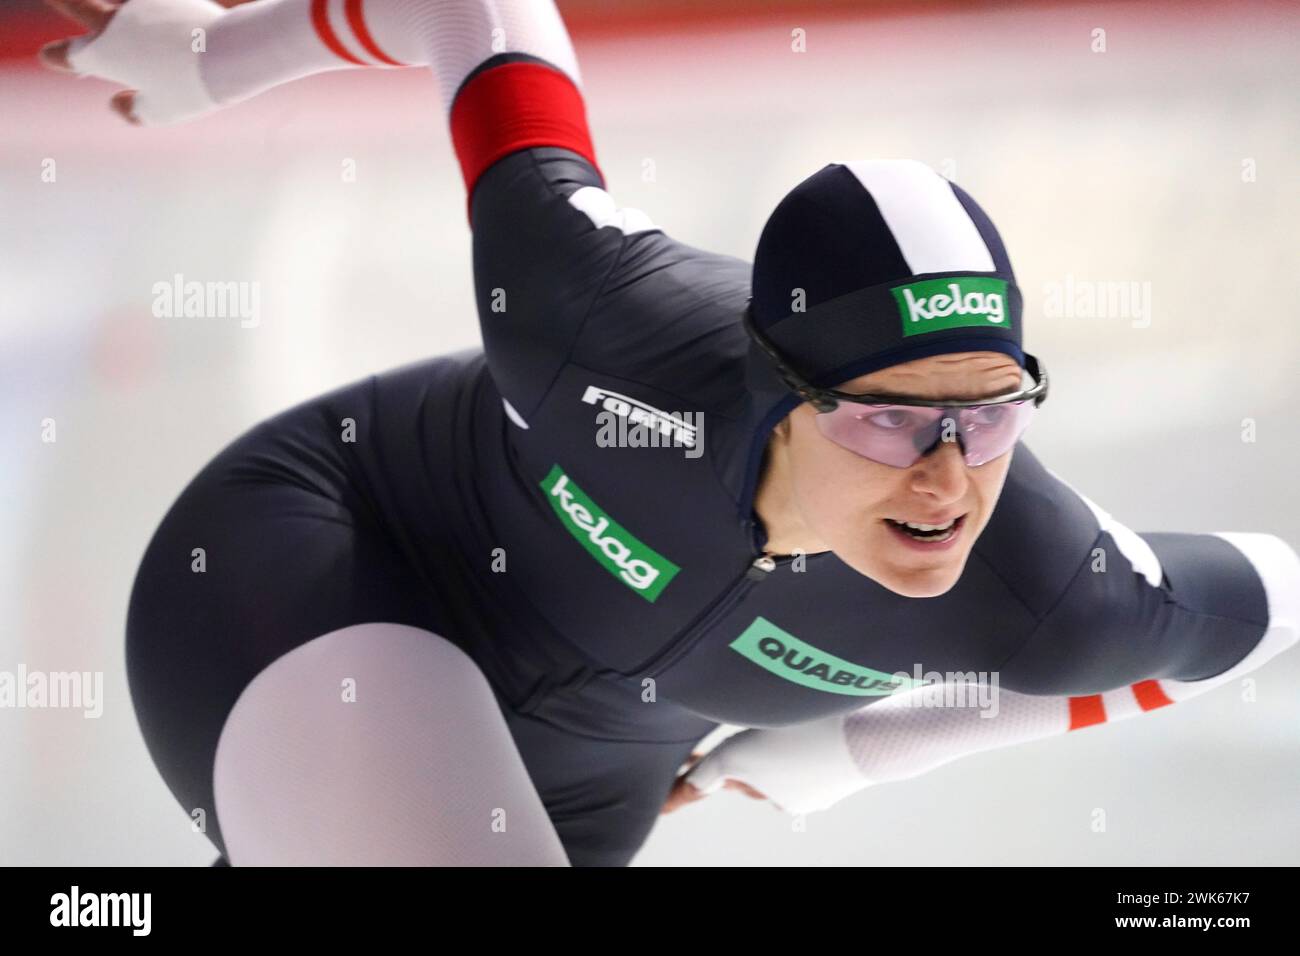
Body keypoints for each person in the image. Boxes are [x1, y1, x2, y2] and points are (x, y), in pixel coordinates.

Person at [40, 0, 1299, 866]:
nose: (947, 475)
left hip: (589, 780)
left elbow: (1276, 600)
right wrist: (217, 62)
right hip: (322, 573)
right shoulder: (596, 317)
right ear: (773, 382)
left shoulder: (1054, 589)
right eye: (887, 419)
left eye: (989, 410)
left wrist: (868, 752)